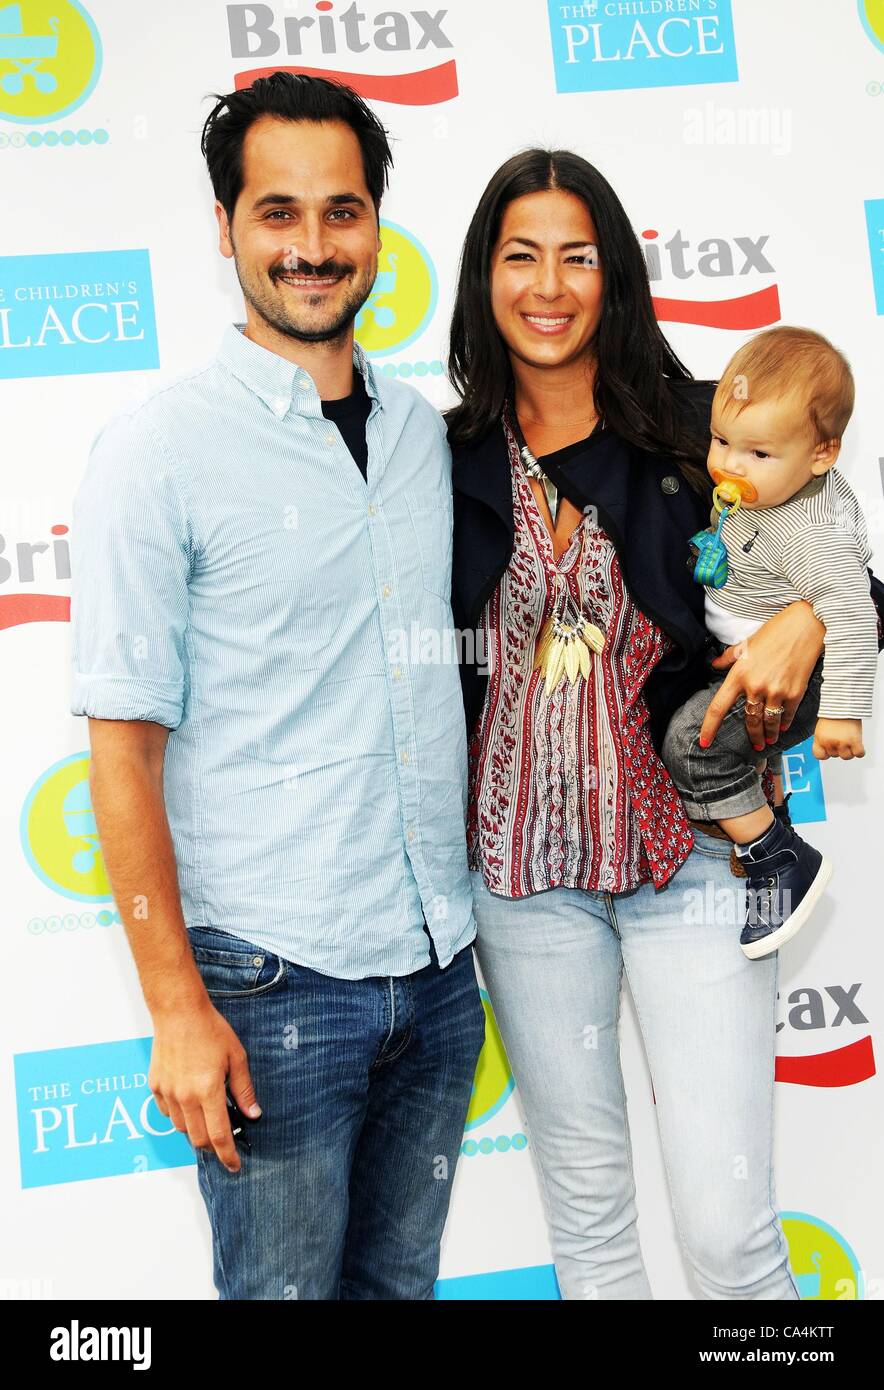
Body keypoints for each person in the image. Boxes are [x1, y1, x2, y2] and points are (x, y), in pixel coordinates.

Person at [69, 73, 485, 1301]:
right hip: (268, 983)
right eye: (277, 213)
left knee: (397, 1290)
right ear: (224, 225)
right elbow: (121, 750)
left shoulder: (422, 436)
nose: (312, 247)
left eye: (342, 212)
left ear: (377, 226)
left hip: (438, 971)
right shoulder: (157, 454)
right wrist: (175, 1008)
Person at [446, 147, 880, 1301]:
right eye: (519, 255)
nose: (548, 284)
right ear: (482, 278)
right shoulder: (435, 456)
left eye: (576, 256)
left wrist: (799, 622)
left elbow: (855, 584)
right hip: (520, 881)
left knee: (727, 1235)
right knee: (589, 1234)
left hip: (692, 862)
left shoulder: (711, 426)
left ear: (617, 273)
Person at [662, 326, 878, 958]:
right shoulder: (767, 491)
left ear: (821, 454)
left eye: (757, 453)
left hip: (794, 683)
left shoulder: (812, 529)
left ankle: (777, 858)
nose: (729, 464)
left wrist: (842, 711)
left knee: (693, 746)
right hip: (736, 656)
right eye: (721, 440)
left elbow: (853, 610)